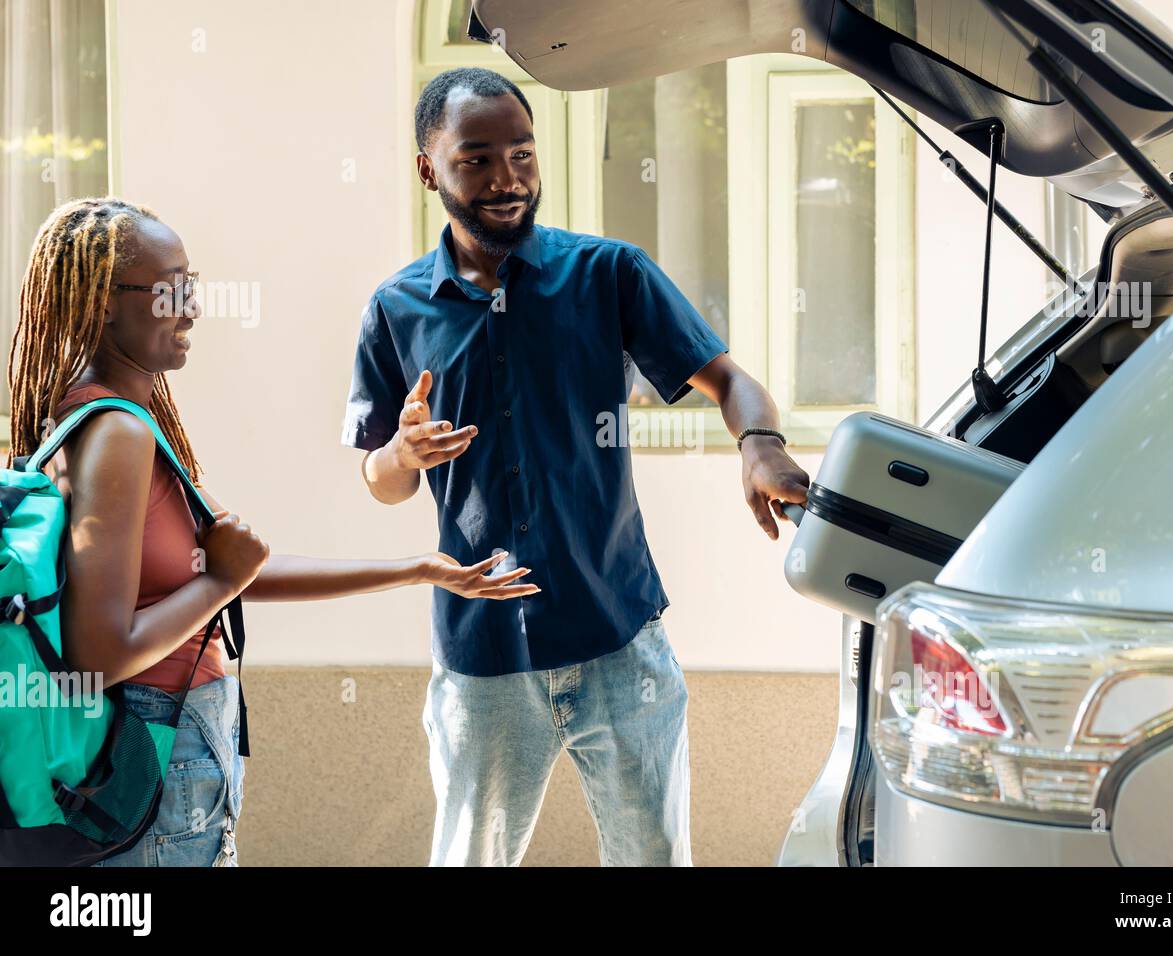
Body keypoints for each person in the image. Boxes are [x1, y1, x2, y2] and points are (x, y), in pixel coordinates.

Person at [342, 67, 810, 867]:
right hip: (483, 662)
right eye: (476, 159)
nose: (506, 179)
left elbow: (727, 380)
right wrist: (399, 453)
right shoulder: (395, 310)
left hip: (619, 639)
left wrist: (757, 441)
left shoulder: (608, 275)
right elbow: (381, 480)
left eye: (521, 154)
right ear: (429, 169)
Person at [7, 196, 539, 867]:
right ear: (103, 301)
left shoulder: (86, 420)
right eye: (170, 288)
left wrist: (420, 567)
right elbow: (102, 651)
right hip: (162, 753)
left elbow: (228, 573)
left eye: (191, 285)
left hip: (161, 750)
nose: (193, 307)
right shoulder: (116, 434)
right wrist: (225, 578)